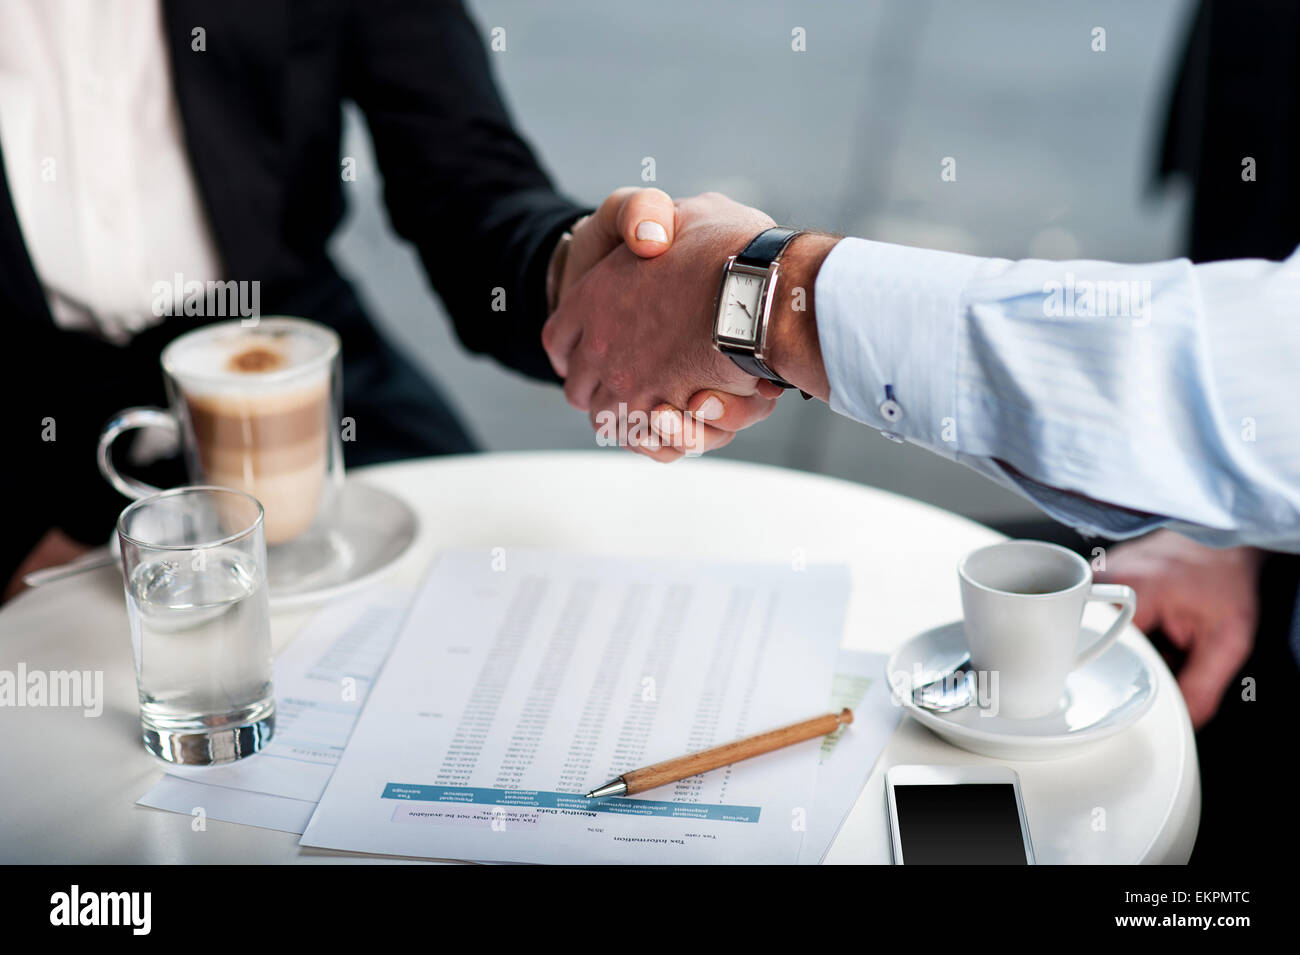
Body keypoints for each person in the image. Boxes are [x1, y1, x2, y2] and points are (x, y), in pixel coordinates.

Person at [0, 1, 741, 596]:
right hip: (31, 404)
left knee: (490, 593)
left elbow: (462, 180)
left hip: (297, 352)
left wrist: (575, 276)